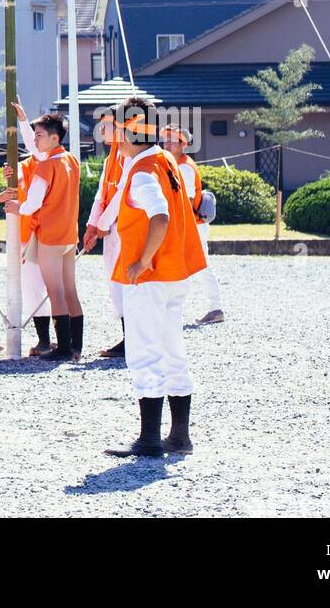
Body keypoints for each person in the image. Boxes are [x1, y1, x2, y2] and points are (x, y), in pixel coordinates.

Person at [103, 103, 206, 459]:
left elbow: (159, 216)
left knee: (145, 353)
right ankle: (179, 436)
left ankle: (149, 439)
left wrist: (142, 260)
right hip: (174, 270)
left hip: (150, 274)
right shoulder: (164, 159)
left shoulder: (143, 170)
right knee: (172, 350)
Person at [0, 106, 82, 359]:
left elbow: (32, 204)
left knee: (55, 292)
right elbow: (35, 150)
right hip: (68, 234)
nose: (35, 139)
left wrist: (15, 207)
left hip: (51, 235)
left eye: (40, 135)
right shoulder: (70, 160)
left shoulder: (45, 167)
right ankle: (76, 346)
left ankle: (64, 349)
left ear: (54, 138)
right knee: (69, 290)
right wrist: (24, 120)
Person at [159, 125, 224, 324]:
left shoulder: (184, 166)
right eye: (166, 140)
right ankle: (213, 308)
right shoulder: (177, 163)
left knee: (199, 265)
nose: (167, 144)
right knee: (197, 265)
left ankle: (214, 308)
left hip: (191, 224)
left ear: (183, 144)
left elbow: (184, 199)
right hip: (192, 223)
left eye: (172, 140)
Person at [81, 106, 131, 359]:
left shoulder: (129, 156)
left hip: (125, 228)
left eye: (108, 124)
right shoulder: (113, 155)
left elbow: (122, 194)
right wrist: (93, 224)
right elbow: (103, 193)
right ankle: (127, 337)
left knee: (127, 282)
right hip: (111, 229)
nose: (102, 129)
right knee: (115, 282)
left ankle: (134, 338)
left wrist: (102, 224)